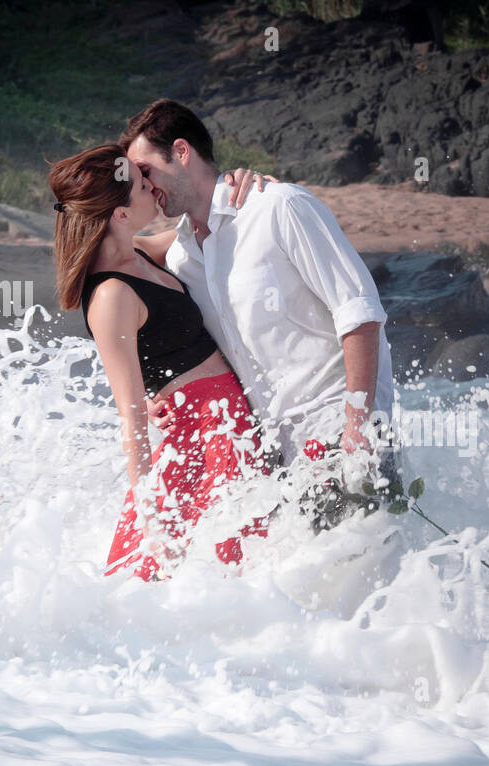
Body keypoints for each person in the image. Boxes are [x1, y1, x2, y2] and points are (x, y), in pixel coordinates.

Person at [117, 100, 400, 530]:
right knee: (309, 591)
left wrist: (357, 430)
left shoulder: (277, 207)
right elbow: (120, 261)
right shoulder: (183, 256)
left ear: (181, 151)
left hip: (338, 432)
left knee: (366, 581)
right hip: (274, 461)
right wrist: (152, 394)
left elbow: (359, 312)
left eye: (146, 170)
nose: (143, 184)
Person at [49, 144, 275, 581]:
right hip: (203, 445)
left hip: (226, 429)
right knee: (194, 578)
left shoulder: (142, 253)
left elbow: (209, 220)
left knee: (238, 573)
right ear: (118, 214)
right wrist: (151, 515)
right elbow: (131, 419)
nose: (153, 188)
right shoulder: (111, 296)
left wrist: (238, 184)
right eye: (140, 185)